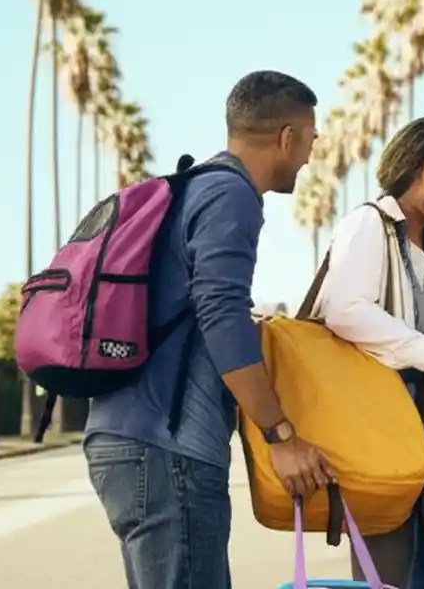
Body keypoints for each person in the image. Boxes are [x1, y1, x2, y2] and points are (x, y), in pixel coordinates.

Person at [84, 70, 334, 588]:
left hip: (127, 437)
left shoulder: (189, 189)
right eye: (312, 138)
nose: (310, 155)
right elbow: (221, 314)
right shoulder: (231, 195)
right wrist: (280, 435)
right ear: (287, 136)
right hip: (169, 450)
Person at [312, 116, 424, 589]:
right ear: (410, 166)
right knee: (389, 574)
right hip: (378, 437)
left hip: (416, 439)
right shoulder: (370, 223)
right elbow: (345, 309)